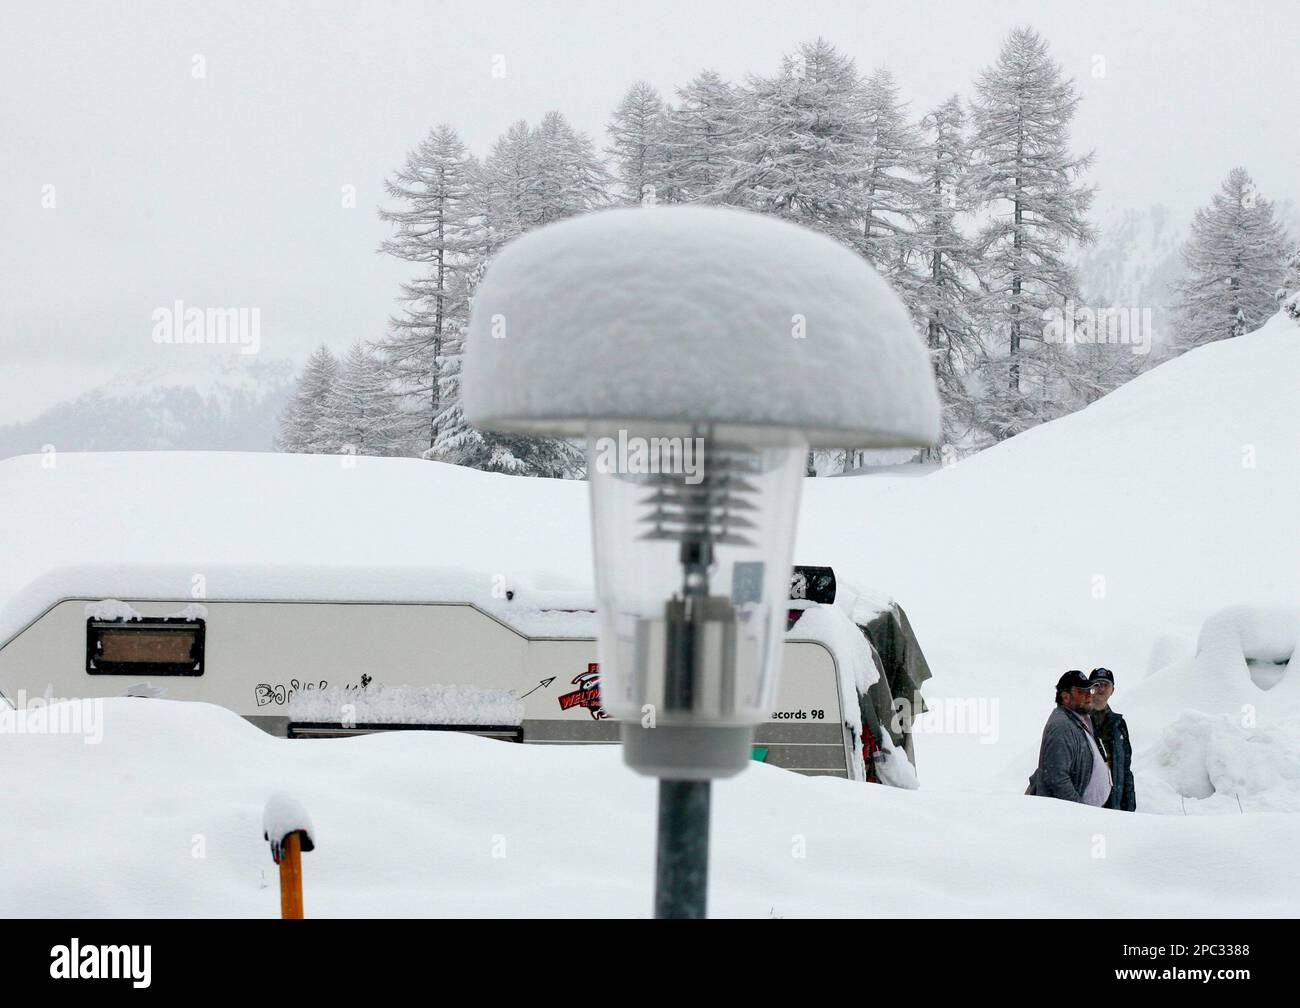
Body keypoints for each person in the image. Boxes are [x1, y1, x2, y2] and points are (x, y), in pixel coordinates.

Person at [1025, 670, 1111, 806]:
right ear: (1065, 697)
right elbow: (1057, 778)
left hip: (1089, 814)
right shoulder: (1061, 726)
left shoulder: (1080, 719)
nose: (1089, 695)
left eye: (1090, 690)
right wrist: (1079, 810)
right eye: (1082, 691)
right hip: (1072, 817)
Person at [1087, 667, 1137, 811]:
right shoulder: (1081, 720)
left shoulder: (1118, 724)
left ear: (1112, 690)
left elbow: (1125, 769)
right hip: (1087, 805)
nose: (1101, 688)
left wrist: (1130, 806)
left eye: (1106, 684)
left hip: (1114, 804)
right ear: (1089, 688)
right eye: (1097, 684)